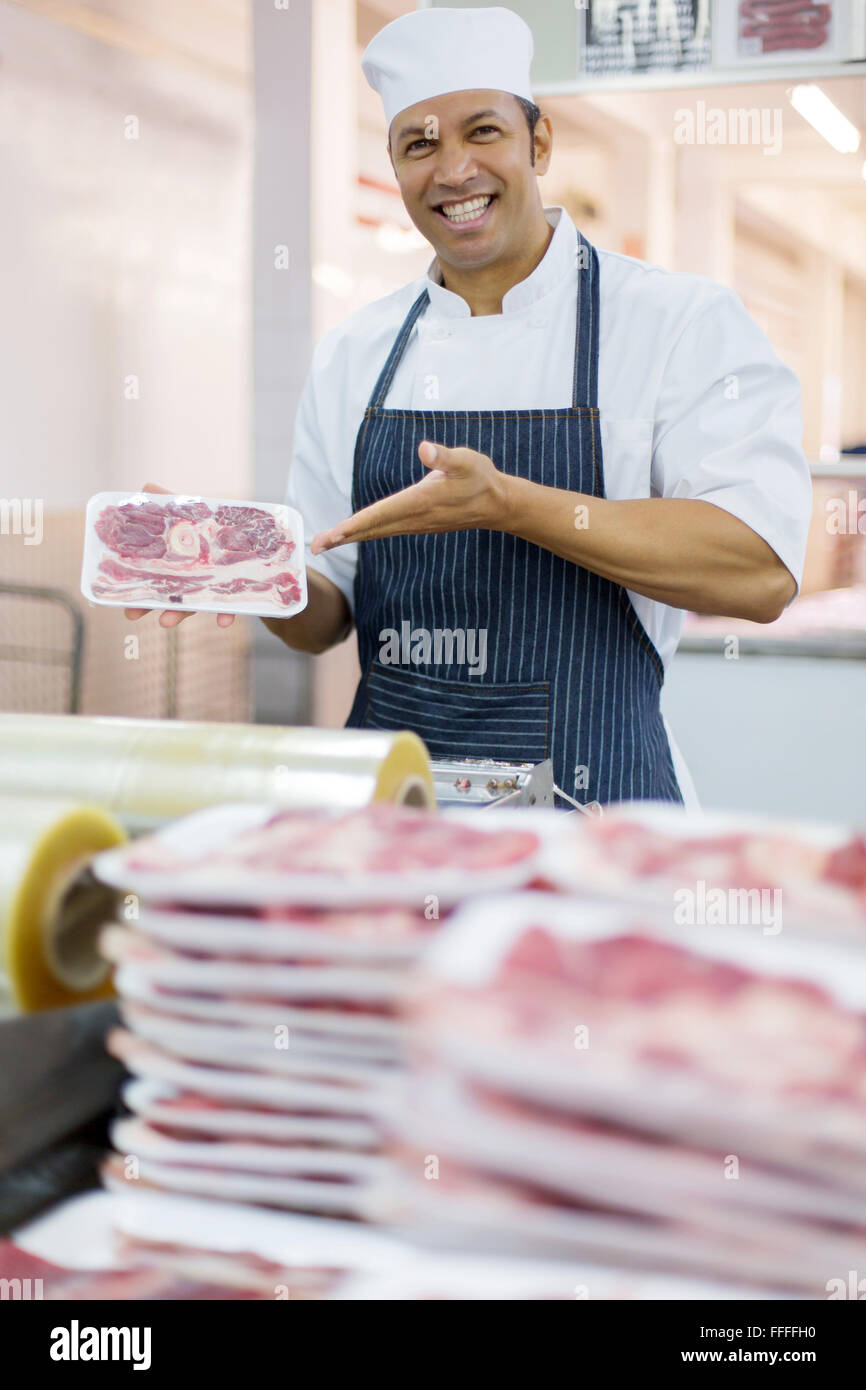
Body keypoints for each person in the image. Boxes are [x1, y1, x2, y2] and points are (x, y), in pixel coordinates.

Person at [130, 5, 813, 809]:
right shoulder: (356, 351)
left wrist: (509, 505)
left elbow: (761, 569)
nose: (452, 170)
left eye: (481, 131)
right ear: (393, 164)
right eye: (418, 144)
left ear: (540, 142)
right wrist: (243, 568)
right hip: (396, 814)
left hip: (600, 811)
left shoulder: (675, 323)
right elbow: (325, 615)